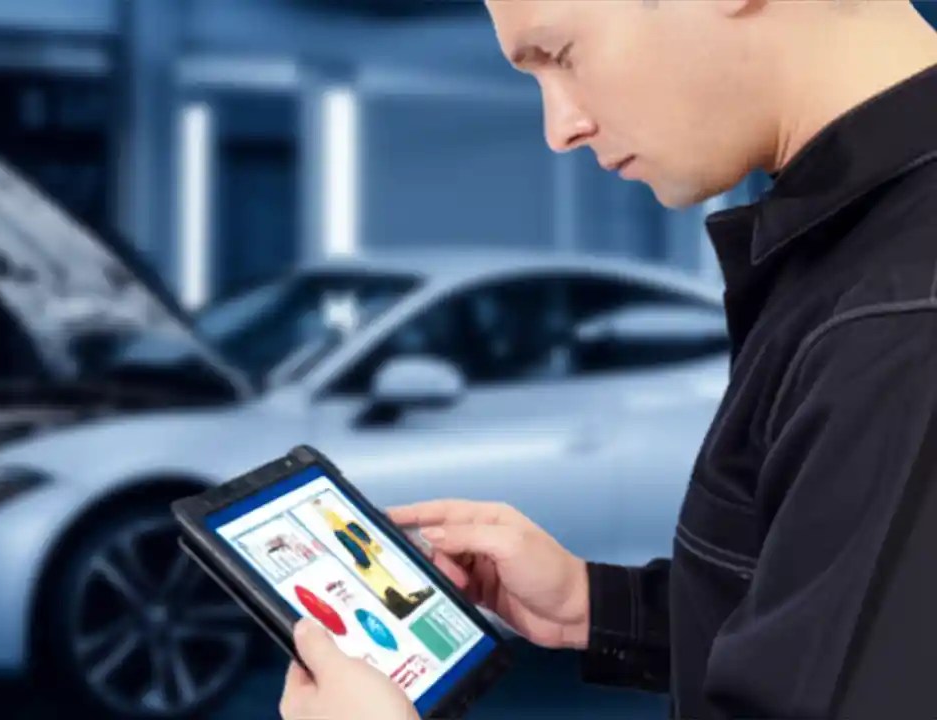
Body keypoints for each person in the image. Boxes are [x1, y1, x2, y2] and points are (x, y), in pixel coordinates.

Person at [279, 1, 937, 718]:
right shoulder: (860, 253)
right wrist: (599, 609)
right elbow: (834, 626)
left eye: (560, 54)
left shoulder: (898, 325)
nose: (560, 129)